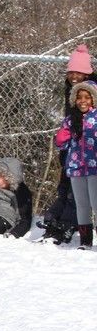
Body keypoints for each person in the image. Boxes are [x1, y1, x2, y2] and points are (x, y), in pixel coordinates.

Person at [51, 45, 96, 246]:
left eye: (87, 98)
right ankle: (85, 241)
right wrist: (63, 133)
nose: (82, 101)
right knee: (81, 204)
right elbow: (61, 140)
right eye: (70, 72)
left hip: (94, 166)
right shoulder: (72, 117)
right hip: (76, 166)